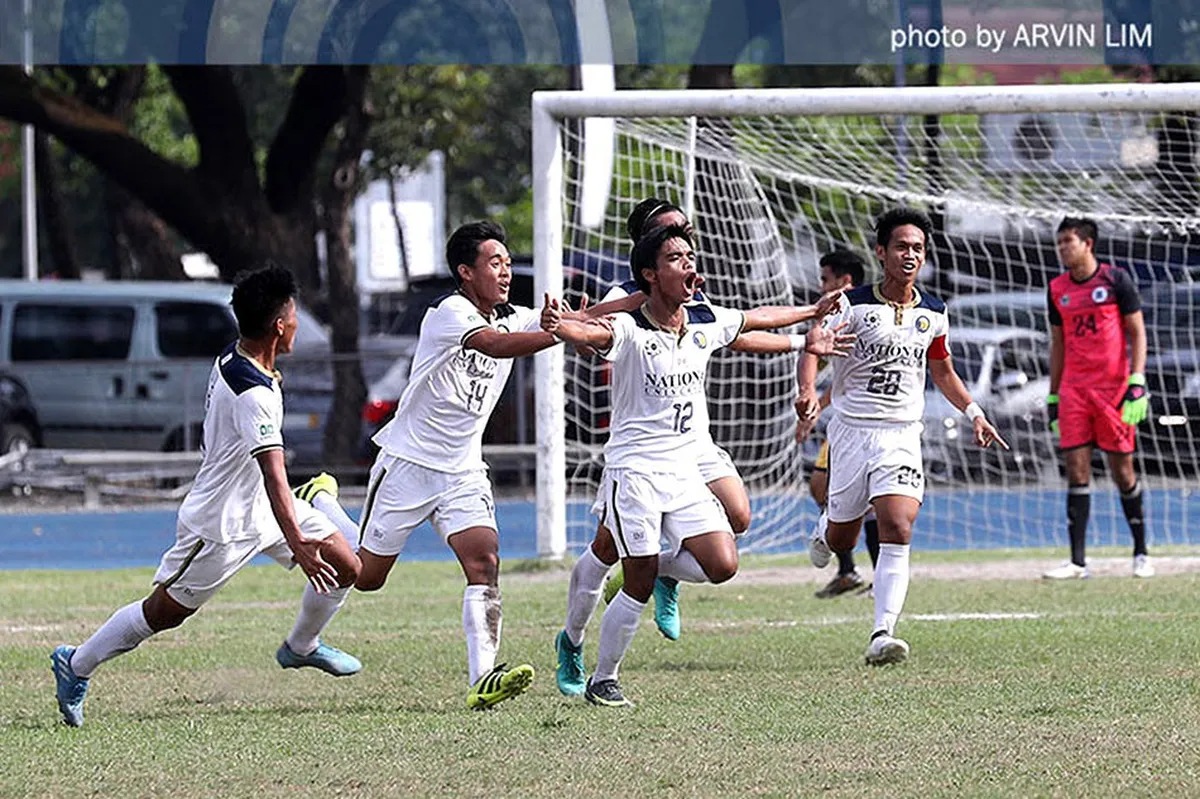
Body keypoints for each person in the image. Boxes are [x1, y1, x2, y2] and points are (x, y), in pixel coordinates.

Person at [546, 223, 850, 707]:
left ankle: (656, 579)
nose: (689, 264)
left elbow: (753, 319)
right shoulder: (630, 327)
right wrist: (560, 325)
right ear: (649, 274)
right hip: (636, 473)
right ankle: (603, 679)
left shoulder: (703, 322)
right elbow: (589, 331)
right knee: (636, 577)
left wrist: (810, 316)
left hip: (687, 469)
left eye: (691, 255)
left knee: (722, 564)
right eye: (676, 258)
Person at [51, 265, 362, 728]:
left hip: (263, 509)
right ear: (280, 324)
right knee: (162, 614)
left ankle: (300, 647)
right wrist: (298, 541)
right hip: (220, 525)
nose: (298, 322)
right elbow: (275, 475)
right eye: (294, 313)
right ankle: (76, 664)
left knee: (347, 567)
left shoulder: (243, 359)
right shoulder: (253, 393)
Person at [348, 220, 586, 711]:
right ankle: (324, 506)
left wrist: (636, 305)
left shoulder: (510, 315)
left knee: (485, 562)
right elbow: (497, 346)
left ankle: (484, 679)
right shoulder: (448, 314)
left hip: (461, 471)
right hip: (408, 465)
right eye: (494, 263)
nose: (504, 273)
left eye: (506, 262)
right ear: (465, 272)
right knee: (366, 576)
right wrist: (556, 333)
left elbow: (584, 317)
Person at [807, 207, 1008, 666]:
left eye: (917, 247)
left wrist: (974, 411)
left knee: (898, 525)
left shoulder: (935, 312)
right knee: (842, 538)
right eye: (901, 246)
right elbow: (814, 347)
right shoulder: (850, 304)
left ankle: (883, 632)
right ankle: (825, 528)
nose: (910, 255)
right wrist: (806, 390)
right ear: (881, 252)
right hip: (853, 434)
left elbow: (942, 370)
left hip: (901, 435)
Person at [1042, 217, 1152, 580]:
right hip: (1074, 390)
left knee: (1123, 471)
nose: (1062, 248)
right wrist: (1054, 395)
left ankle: (1141, 552)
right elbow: (1058, 344)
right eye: (1059, 243)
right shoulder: (1057, 288)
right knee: (1076, 469)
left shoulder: (1115, 280)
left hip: (1113, 390)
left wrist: (1137, 381)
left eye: (1068, 241)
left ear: (1088, 243)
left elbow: (1137, 333)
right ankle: (1077, 561)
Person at [795, 250, 880, 598]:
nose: (821, 286)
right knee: (821, 486)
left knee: (875, 502)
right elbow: (819, 356)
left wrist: (814, 396)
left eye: (826, 279)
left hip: (877, 422)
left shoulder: (860, 311)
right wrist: (814, 398)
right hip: (847, 420)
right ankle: (848, 570)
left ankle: (874, 574)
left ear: (844, 282)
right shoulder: (838, 315)